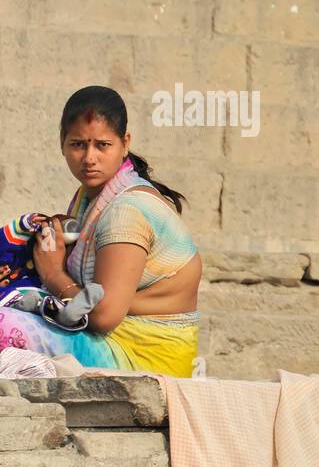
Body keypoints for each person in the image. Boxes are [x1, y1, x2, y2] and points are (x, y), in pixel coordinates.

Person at [0, 86, 203, 376]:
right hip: (111, 339)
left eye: (102, 145)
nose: (89, 158)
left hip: (144, 356)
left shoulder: (126, 210)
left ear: (125, 143)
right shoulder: (92, 195)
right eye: (78, 144)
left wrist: (54, 274)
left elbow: (104, 315)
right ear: (62, 143)